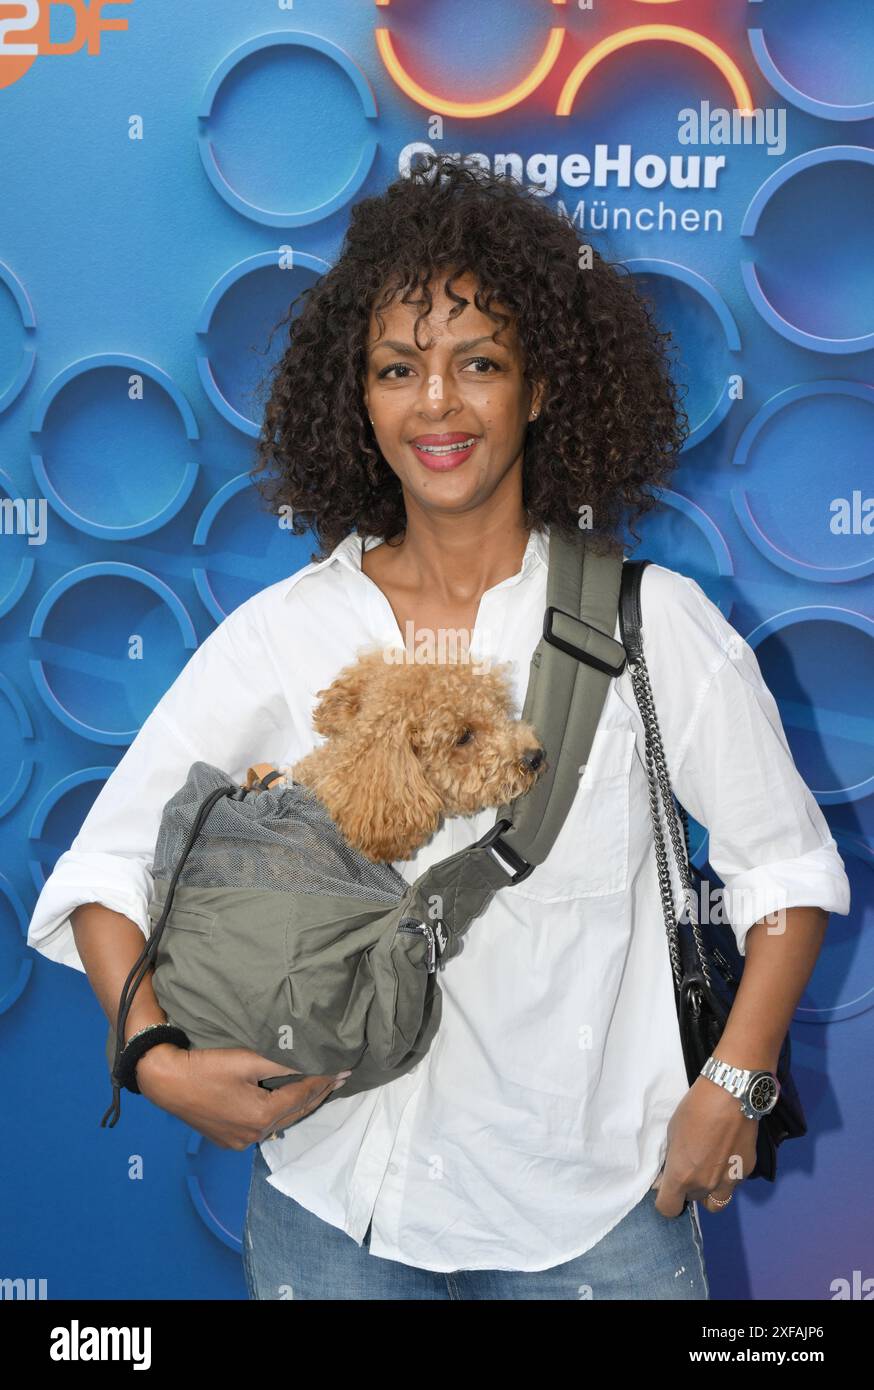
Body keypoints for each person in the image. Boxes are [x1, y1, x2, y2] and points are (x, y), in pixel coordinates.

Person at [28, 154, 851, 1300]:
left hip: (592, 1212)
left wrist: (738, 1077)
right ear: (355, 398)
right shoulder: (289, 631)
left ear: (542, 386)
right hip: (332, 1206)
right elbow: (108, 866)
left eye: (478, 364)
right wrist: (152, 1057)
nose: (436, 404)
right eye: (396, 368)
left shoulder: (651, 621)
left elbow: (785, 869)